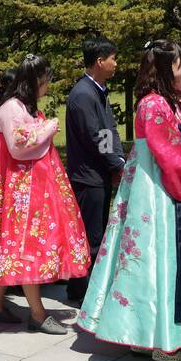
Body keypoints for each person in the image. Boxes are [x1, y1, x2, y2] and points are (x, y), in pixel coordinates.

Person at [78, 40, 181, 361]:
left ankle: (146, 336)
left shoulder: (159, 103)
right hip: (159, 193)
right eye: (180, 65)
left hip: (151, 189)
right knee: (165, 260)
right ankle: (165, 345)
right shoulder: (155, 105)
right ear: (164, 68)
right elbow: (172, 156)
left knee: (149, 263)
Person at [0, 55, 88, 333]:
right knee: (26, 246)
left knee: (18, 246)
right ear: (35, 81)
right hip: (19, 189)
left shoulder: (23, 106)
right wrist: (47, 128)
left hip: (30, 187)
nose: (47, 86)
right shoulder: (12, 107)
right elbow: (17, 146)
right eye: (45, 81)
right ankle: (37, 313)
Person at [65, 38, 125, 303]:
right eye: (113, 58)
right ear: (100, 61)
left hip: (99, 174)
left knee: (96, 232)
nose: (116, 64)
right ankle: (83, 290)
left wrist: (118, 160)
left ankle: (82, 287)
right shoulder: (83, 94)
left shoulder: (98, 90)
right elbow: (95, 135)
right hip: (88, 177)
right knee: (90, 236)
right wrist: (115, 164)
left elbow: (108, 130)